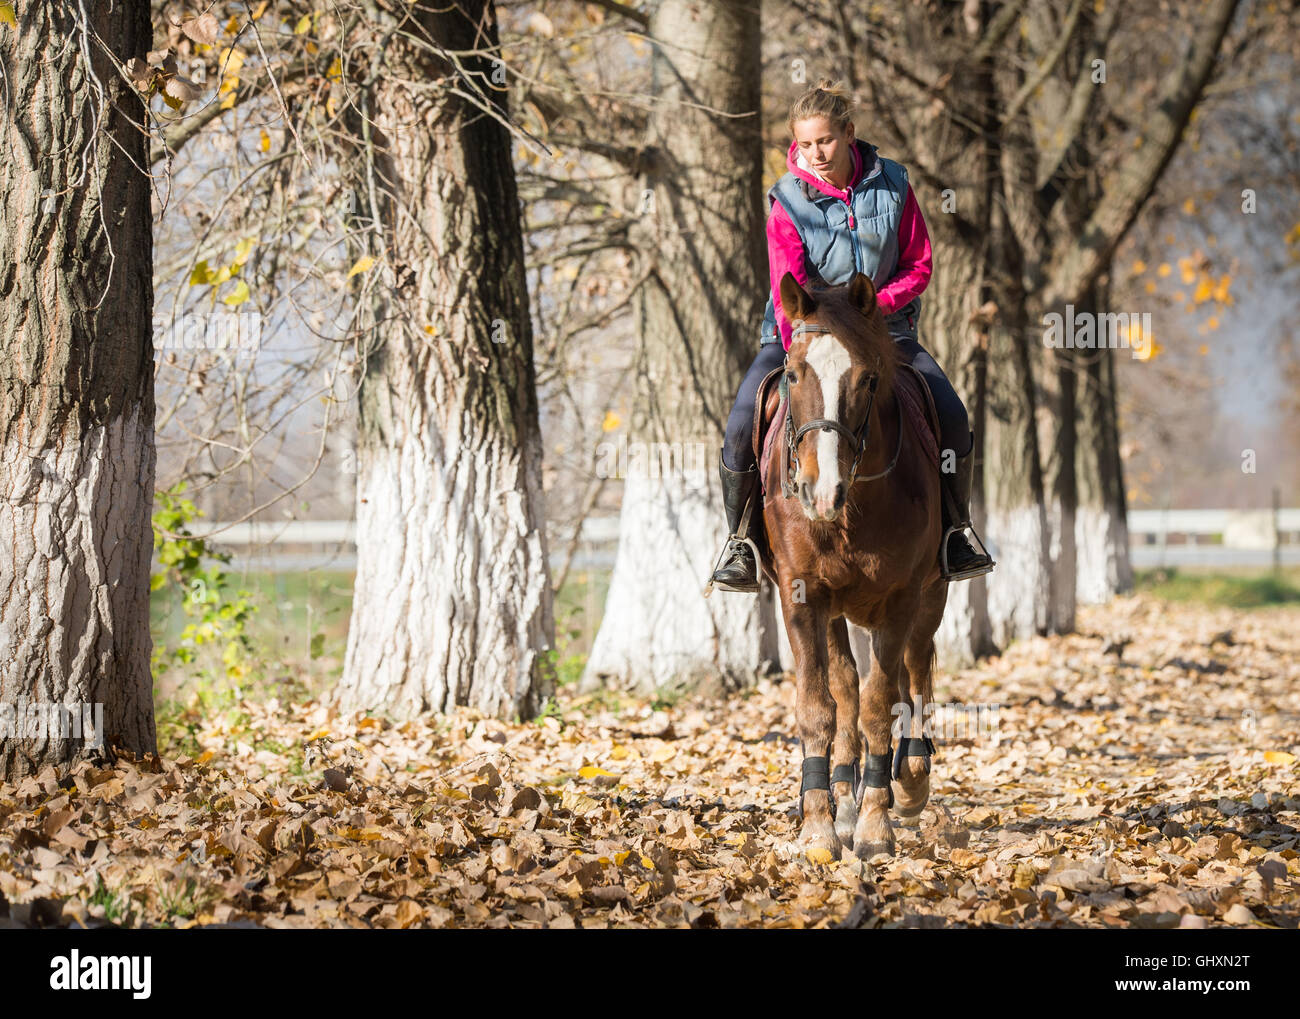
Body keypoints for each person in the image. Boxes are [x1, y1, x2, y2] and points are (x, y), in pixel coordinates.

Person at [710, 80, 994, 593]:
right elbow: (787, 287)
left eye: (825, 141)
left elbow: (919, 264)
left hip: (887, 332)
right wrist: (811, 334)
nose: (815, 154)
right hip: (801, 332)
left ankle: (956, 532)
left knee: (951, 414)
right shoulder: (785, 203)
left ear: (848, 134)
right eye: (804, 144)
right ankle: (741, 543)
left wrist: (877, 309)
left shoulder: (894, 185)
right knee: (738, 427)